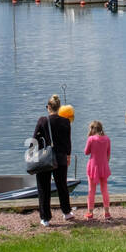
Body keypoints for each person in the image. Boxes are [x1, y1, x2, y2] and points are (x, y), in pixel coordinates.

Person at [33, 94, 73, 226]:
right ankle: (66, 212)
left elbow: (35, 140)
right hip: (60, 158)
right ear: (59, 107)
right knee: (62, 186)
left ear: (48, 107)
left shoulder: (42, 121)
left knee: (43, 188)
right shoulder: (66, 121)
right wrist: (68, 155)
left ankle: (45, 218)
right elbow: (68, 142)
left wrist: (33, 155)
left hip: (44, 158)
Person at [84, 121, 112, 220]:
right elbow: (108, 154)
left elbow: (86, 152)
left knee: (91, 190)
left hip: (93, 167)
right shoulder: (107, 139)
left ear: (92, 129)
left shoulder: (91, 139)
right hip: (104, 166)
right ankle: (107, 212)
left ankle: (90, 213)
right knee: (104, 190)